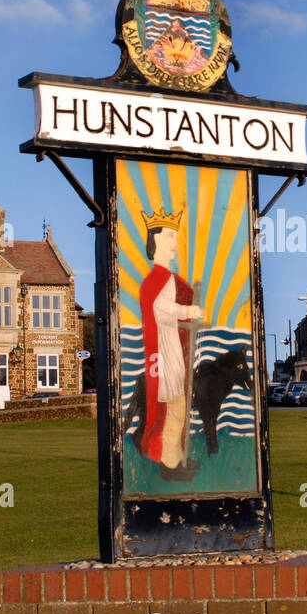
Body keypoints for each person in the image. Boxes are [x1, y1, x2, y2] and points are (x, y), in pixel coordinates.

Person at [137, 205, 204, 481]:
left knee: (177, 408)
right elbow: (161, 310)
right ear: (155, 240)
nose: (175, 242)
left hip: (170, 347)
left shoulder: (164, 278)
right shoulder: (156, 279)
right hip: (163, 352)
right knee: (172, 409)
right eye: (169, 236)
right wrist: (188, 311)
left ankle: (175, 459)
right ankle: (169, 464)